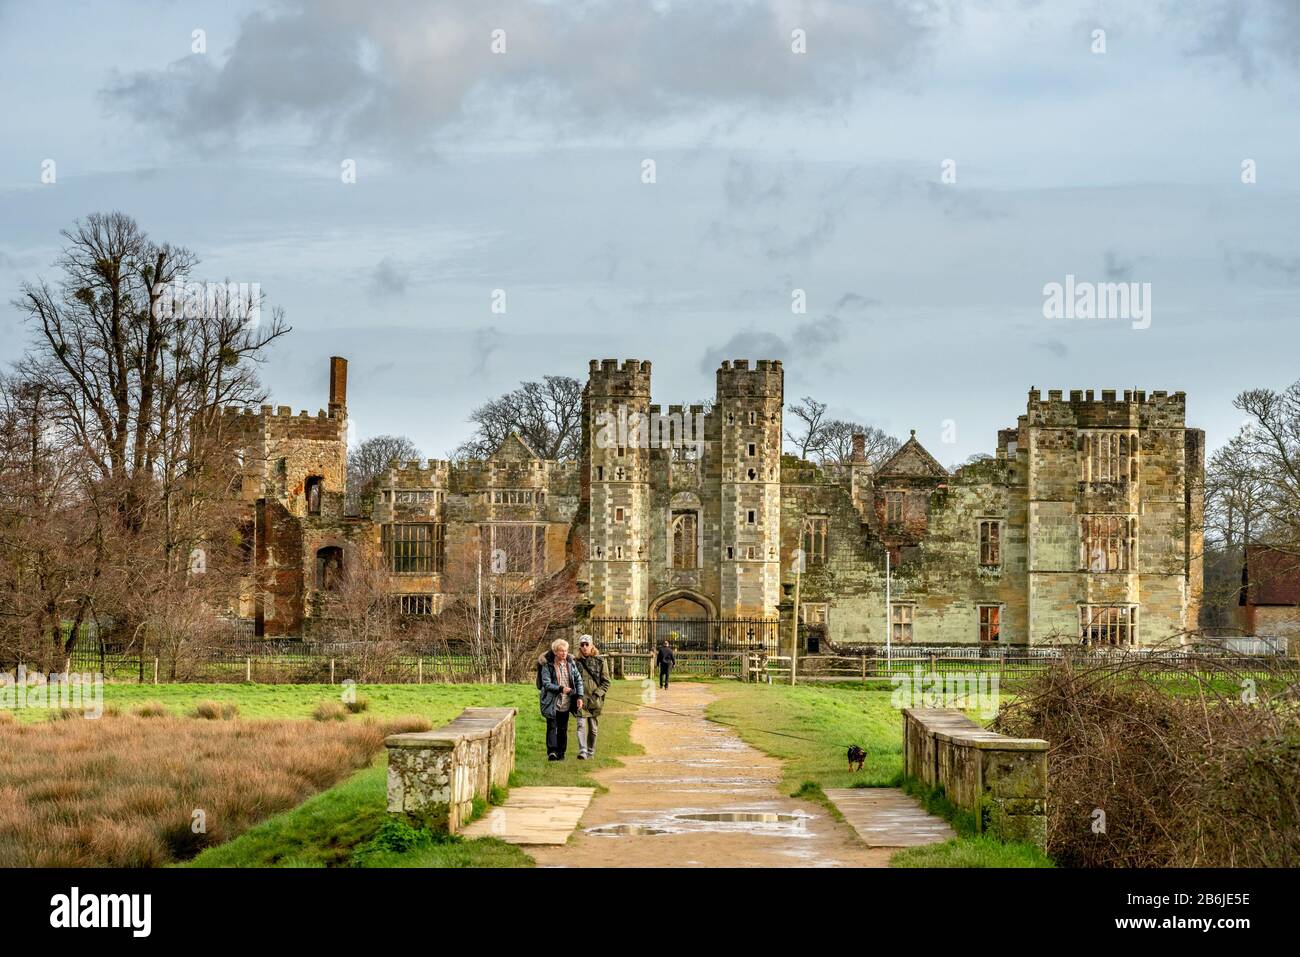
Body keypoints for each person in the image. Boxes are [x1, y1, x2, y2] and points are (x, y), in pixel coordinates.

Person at [537, 638, 584, 761]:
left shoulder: (570, 664)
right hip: (552, 701)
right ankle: (552, 752)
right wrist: (561, 688)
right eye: (561, 651)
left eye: (566, 650)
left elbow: (578, 680)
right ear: (555, 652)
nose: (564, 653)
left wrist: (579, 697)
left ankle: (561, 753)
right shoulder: (548, 665)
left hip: (566, 702)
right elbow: (546, 684)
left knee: (563, 728)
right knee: (552, 726)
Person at [573, 635, 610, 760]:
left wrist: (597, 694)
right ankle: (582, 751)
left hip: (594, 700)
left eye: (586, 644)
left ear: (591, 645)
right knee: (580, 725)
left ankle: (590, 751)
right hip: (580, 699)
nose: (584, 647)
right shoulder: (575, 662)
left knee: (593, 728)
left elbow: (606, 682)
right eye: (582, 645)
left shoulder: (600, 661)